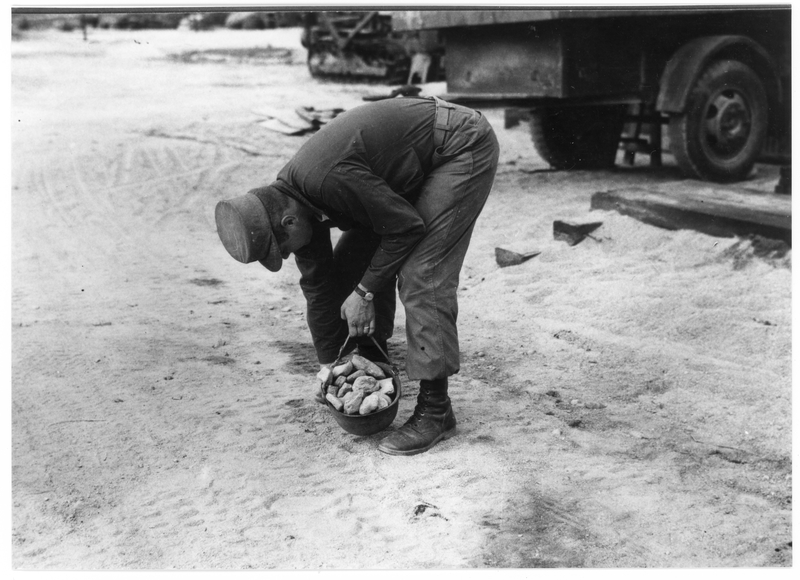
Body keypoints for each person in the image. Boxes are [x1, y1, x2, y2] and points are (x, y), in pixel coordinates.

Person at [214, 96, 499, 455]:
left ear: (288, 223)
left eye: (281, 249)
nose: (286, 255)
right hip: (409, 163)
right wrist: (328, 366)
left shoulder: (327, 181)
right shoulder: (291, 201)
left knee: (421, 274)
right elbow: (318, 287)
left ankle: (436, 411)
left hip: (458, 144)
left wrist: (364, 293)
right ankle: (369, 355)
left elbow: (406, 229)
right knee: (351, 267)